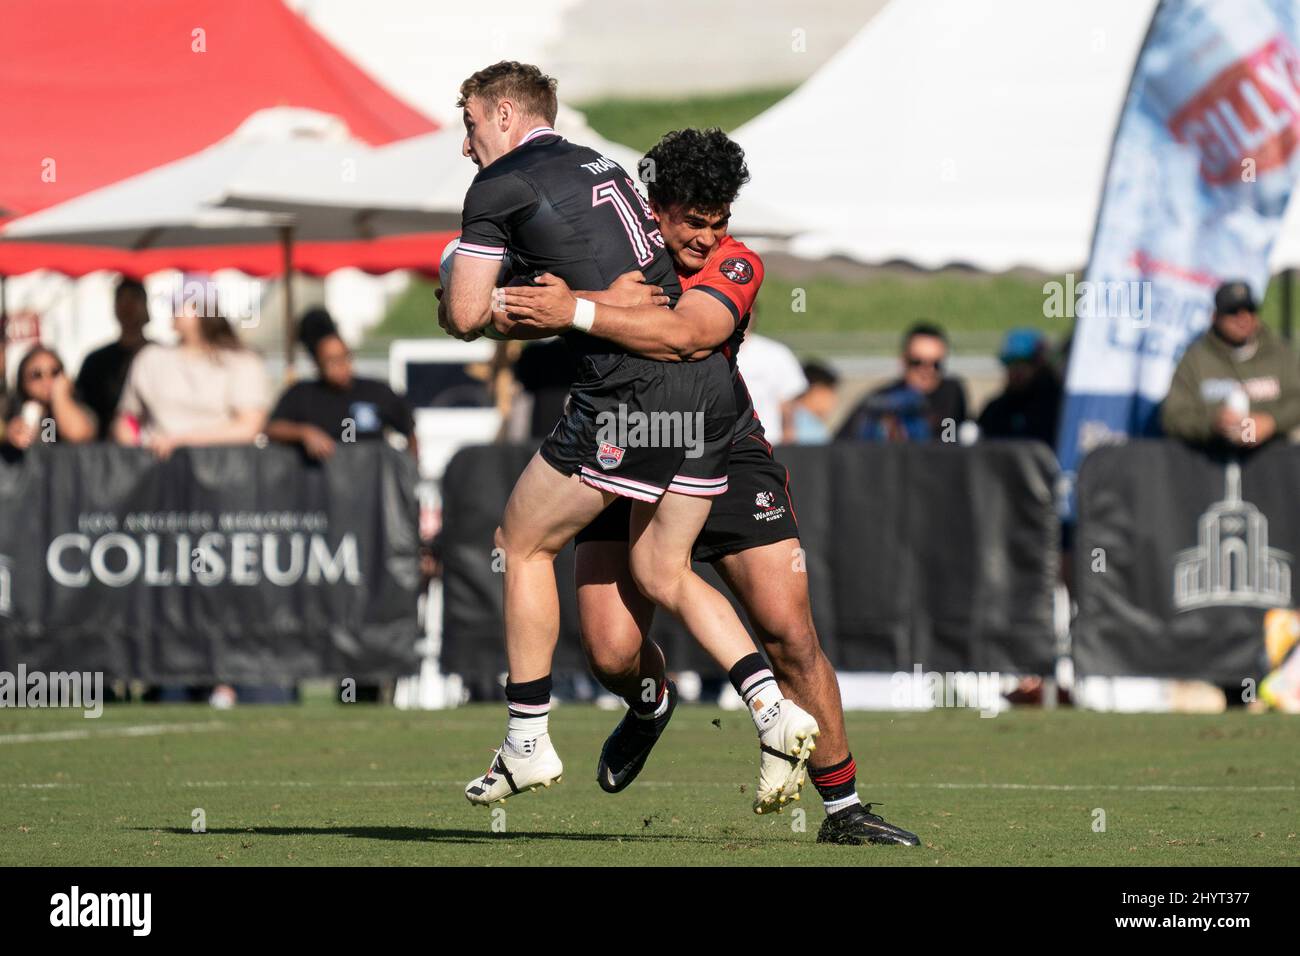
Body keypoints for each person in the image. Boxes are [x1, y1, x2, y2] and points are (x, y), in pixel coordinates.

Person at [500, 128, 918, 844]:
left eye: (719, 221)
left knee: (789, 633)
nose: (708, 238)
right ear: (651, 208)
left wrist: (577, 307)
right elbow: (494, 289)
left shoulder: (735, 263)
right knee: (609, 654)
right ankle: (652, 702)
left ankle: (844, 809)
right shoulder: (601, 249)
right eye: (693, 221)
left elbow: (687, 335)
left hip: (715, 444)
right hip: (621, 442)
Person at [439, 62, 819, 813]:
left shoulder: (499, 186)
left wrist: (476, 284)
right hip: (702, 403)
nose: (466, 144)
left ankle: (527, 737)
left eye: (473, 124)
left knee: (522, 543)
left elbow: (463, 314)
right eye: (693, 219)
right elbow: (600, 286)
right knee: (661, 573)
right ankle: (773, 714)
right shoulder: (599, 165)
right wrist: (580, 300)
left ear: (507, 114)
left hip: (627, 399)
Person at [112, 294, 269, 457]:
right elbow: (127, 419)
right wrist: (136, 451)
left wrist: (179, 441)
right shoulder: (151, 358)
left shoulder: (243, 362)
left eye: (184, 302)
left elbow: (249, 427)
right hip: (157, 465)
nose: (175, 308)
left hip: (221, 466)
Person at [1162, 280, 1300, 449]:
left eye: (1249, 310)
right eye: (1233, 311)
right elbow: (1172, 417)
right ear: (1215, 316)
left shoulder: (1279, 352)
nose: (1243, 318)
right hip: (1212, 462)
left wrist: (1271, 422)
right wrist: (1212, 424)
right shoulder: (1196, 359)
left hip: (1273, 460)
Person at [267, 308, 417, 460]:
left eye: (344, 357)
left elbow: (409, 431)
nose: (340, 366)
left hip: (369, 480)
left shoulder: (377, 392)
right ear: (317, 363)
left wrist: (410, 470)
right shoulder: (301, 394)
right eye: (331, 361)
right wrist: (304, 433)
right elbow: (272, 428)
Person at [836, 322, 968, 442]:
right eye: (917, 363)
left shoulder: (953, 394)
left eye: (936, 364)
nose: (927, 371)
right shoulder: (881, 400)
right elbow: (842, 445)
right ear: (903, 360)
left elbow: (958, 440)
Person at [75, 276, 152, 440]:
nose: (128, 307)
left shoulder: (162, 357)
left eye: (134, 299)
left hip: (157, 447)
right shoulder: (95, 362)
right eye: (122, 299)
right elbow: (83, 412)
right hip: (104, 453)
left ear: (146, 306)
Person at [977, 328, 1062, 446]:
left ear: (1040, 366)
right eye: (1011, 364)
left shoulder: (1058, 409)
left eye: (1024, 363)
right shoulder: (995, 410)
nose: (1016, 371)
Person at [3, 346, 96, 449]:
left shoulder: (78, 407)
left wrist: (60, 395)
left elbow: (78, 436)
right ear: (23, 381)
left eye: (55, 372)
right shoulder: (10, 410)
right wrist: (8, 434)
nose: (47, 381)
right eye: (37, 375)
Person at [736, 319, 805, 443]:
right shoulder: (708, 353)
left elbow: (788, 401)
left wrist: (789, 435)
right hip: (723, 445)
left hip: (768, 442)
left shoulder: (776, 353)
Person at [792, 360, 839, 444]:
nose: (834, 400)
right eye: (830, 392)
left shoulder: (786, 417)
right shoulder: (810, 429)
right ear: (817, 391)